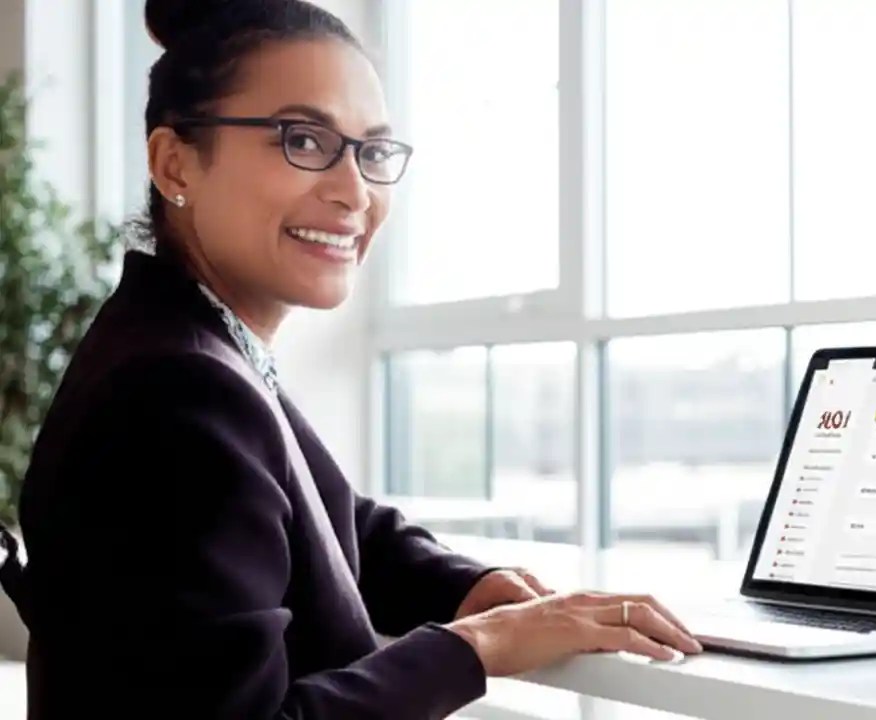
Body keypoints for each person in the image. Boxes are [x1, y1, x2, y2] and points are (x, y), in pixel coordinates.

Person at [7, 1, 701, 717]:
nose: (354, 191)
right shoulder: (177, 389)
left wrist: (471, 585)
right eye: (303, 140)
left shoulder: (192, 342)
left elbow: (319, 518)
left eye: (371, 151)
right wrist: (478, 646)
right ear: (174, 162)